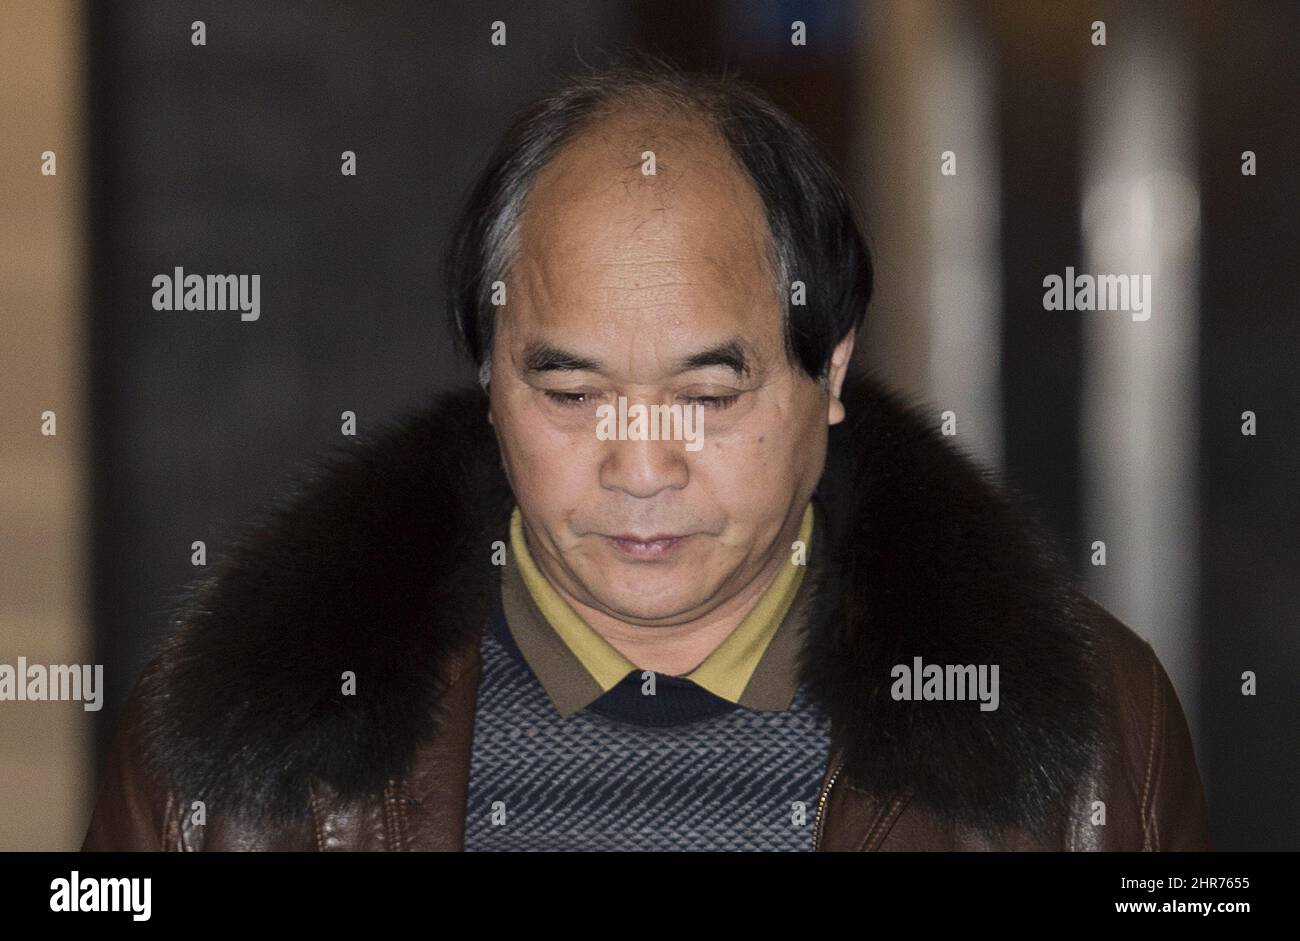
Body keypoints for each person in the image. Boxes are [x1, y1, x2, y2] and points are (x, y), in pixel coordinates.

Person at [82, 56, 1210, 851]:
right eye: (569, 390)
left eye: (708, 393)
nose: (638, 465)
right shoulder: (230, 749)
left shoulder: (1091, 734)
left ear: (829, 371)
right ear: (489, 377)